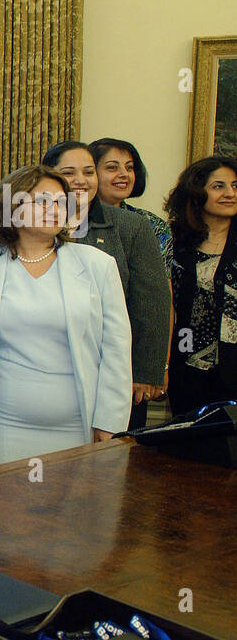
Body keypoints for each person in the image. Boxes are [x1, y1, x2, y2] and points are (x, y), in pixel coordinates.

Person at [0, 165, 132, 471]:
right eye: (41, 201)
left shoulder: (98, 266)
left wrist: (111, 419)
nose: (54, 210)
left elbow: (116, 348)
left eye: (60, 202)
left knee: (73, 516)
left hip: (79, 425)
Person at [43, 141, 171, 430]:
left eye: (88, 172)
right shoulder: (32, 222)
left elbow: (152, 303)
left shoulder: (130, 226)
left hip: (114, 369)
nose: (80, 180)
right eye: (69, 172)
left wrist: (146, 370)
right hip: (49, 366)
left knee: (111, 459)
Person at [163, 155, 237, 414]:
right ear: (196, 193)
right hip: (186, 363)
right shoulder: (172, 239)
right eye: (219, 186)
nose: (230, 193)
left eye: (236, 186)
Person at [90, 137, 172, 254]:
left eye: (129, 168)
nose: (124, 174)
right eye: (112, 168)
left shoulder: (153, 225)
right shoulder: (73, 221)